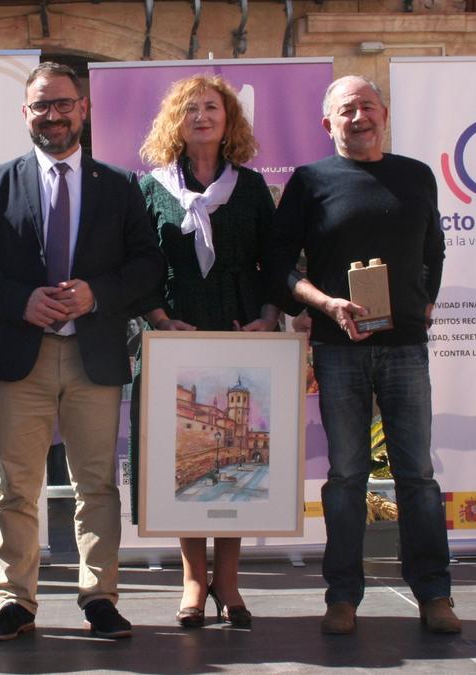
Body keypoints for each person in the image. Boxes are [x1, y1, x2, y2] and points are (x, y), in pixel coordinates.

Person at [0, 62, 162, 641]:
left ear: (84, 108)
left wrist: (99, 294)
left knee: (97, 485)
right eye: (41, 105)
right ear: (26, 114)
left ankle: (100, 598)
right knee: (17, 486)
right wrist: (20, 300)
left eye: (63, 103)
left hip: (94, 356)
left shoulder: (119, 186)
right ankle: (15, 601)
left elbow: (149, 266)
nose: (53, 114)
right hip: (23, 357)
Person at [264, 75, 460, 635]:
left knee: (417, 475)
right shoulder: (309, 182)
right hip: (337, 348)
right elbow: (279, 265)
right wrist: (325, 304)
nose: (358, 117)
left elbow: (434, 250)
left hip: (405, 349)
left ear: (385, 114)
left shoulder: (416, 175)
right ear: (328, 124)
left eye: (367, 106)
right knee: (346, 474)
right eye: (346, 110)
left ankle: (435, 594)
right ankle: (342, 596)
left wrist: (425, 303)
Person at [132, 74, 280, 630]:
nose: (201, 115)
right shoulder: (149, 190)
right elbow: (136, 264)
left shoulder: (251, 187)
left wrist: (269, 315)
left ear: (229, 119)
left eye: (212, 107)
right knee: (177, 463)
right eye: (190, 108)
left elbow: (277, 258)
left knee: (243, 464)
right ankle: (194, 580)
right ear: (176, 120)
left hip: (238, 328)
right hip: (173, 331)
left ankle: (232, 582)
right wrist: (159, 319)